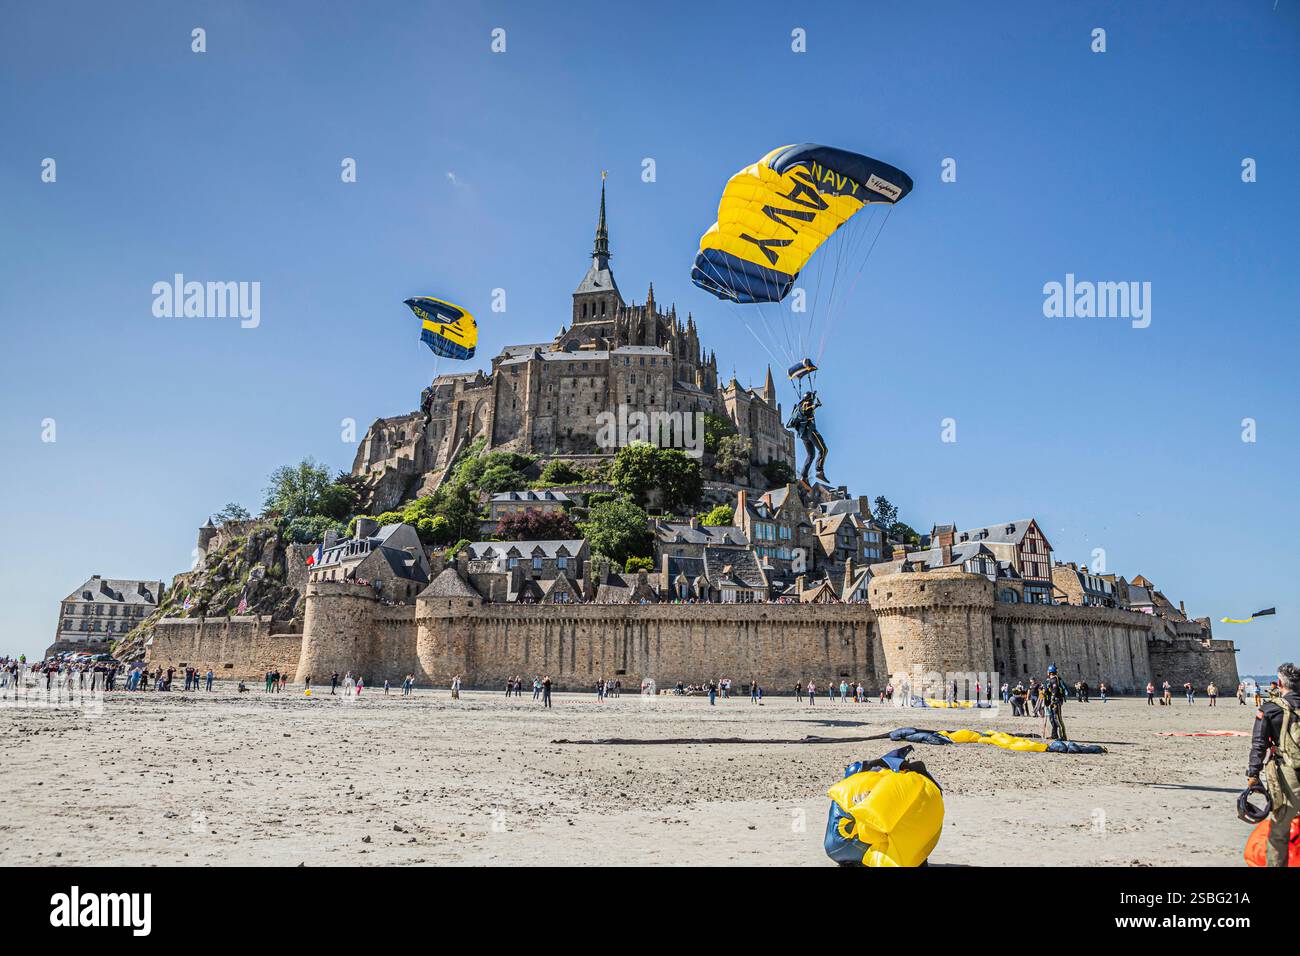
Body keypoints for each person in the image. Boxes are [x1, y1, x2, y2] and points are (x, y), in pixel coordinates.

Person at [1246, 662, 1300, 867]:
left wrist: (1253, 774)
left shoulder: (1270, 709)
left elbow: (1259, 744)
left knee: (1279, 831)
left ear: (1279, 683)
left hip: (1288, 775)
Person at [785, 390, 828, 484]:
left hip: (804, 435)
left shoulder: (800, 405)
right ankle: (819, 471)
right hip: (810, 431)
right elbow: (806, 410)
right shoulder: (805, 405)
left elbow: (806, 410)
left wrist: (813, 396)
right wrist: (815, 405)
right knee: (823, 450)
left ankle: (804, 477)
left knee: (811, 455)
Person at [1043, 664, 1068, 741]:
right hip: (1051, 702)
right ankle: (1054, 735)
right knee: (1052, 719)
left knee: (1057, 718)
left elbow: (1055, 691)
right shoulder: (1049, 680)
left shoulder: (1055, 680)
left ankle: (1063, 736)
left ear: (1050, 672)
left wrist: (1052, 700)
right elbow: (1047, 691)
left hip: (1056, 702)